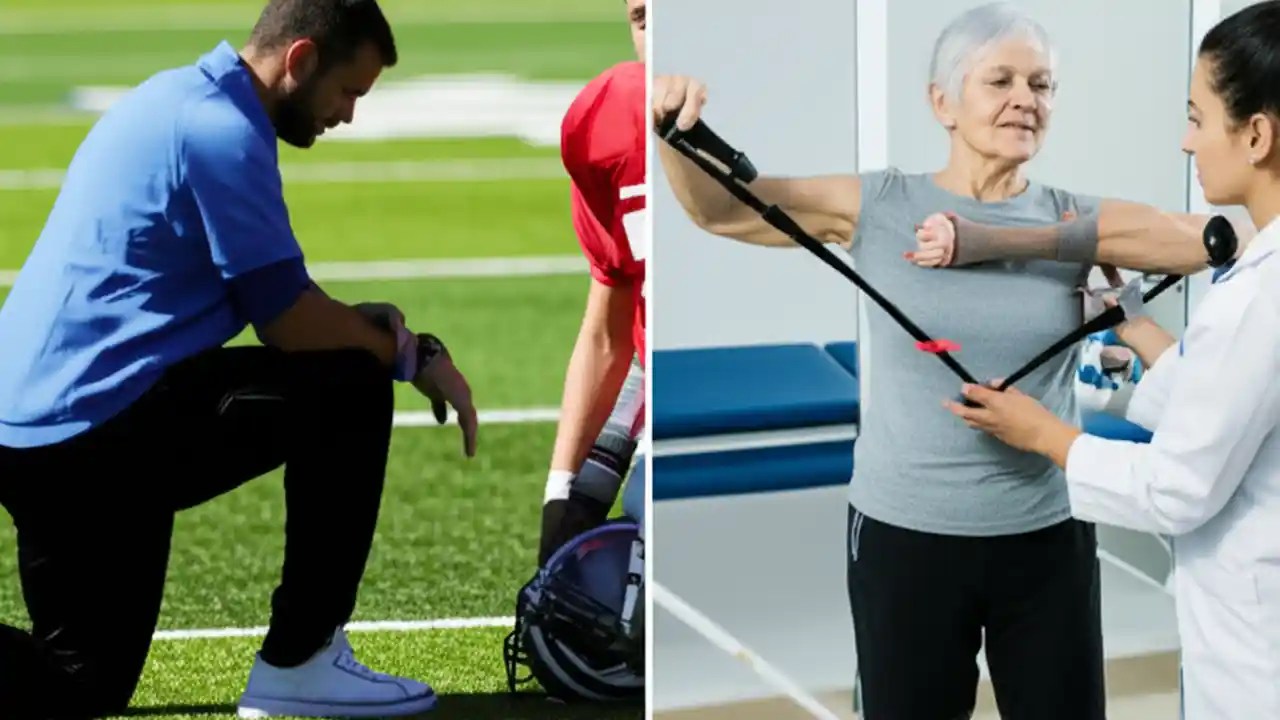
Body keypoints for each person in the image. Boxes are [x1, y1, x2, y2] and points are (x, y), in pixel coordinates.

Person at [653, 2, 1244, 718]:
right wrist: (673, 137)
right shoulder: (879, 204)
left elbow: (1218, 238)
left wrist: (1015, 241)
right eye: (1000, 81)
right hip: (907, 539)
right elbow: (721, 210)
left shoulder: (1071, 219)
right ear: (943, 102)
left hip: (1046, 535)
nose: (1026, 98)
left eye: (1042, 84)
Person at [0, 1, 478, 718]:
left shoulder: (175, 95)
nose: (347, 115)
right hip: (89, 436)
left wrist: (369, 329)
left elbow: (284, 293)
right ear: (302, 59)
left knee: (78, 683)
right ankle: (301, 661)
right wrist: (406, 354)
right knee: (351, 386)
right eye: (349, 91)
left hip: (41, 432)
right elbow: (288, 324)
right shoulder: (222, 131)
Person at [945, 3, 1280, 718]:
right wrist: (1131, 325)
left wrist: (1045, 435)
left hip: (1259, 656)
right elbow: (1229, 401)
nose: (1187, 143)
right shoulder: (1261, 277)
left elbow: (1179, 486)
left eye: (1197, 118)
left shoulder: (1262, 292)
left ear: (1256, 134)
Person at [509, 0, 648, 701]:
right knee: (574, 551)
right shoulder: (605, 118)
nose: (642, 7)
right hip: (656, 373)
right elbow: (610, 324)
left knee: (661, 555)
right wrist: (561, 492)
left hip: (727, 367)